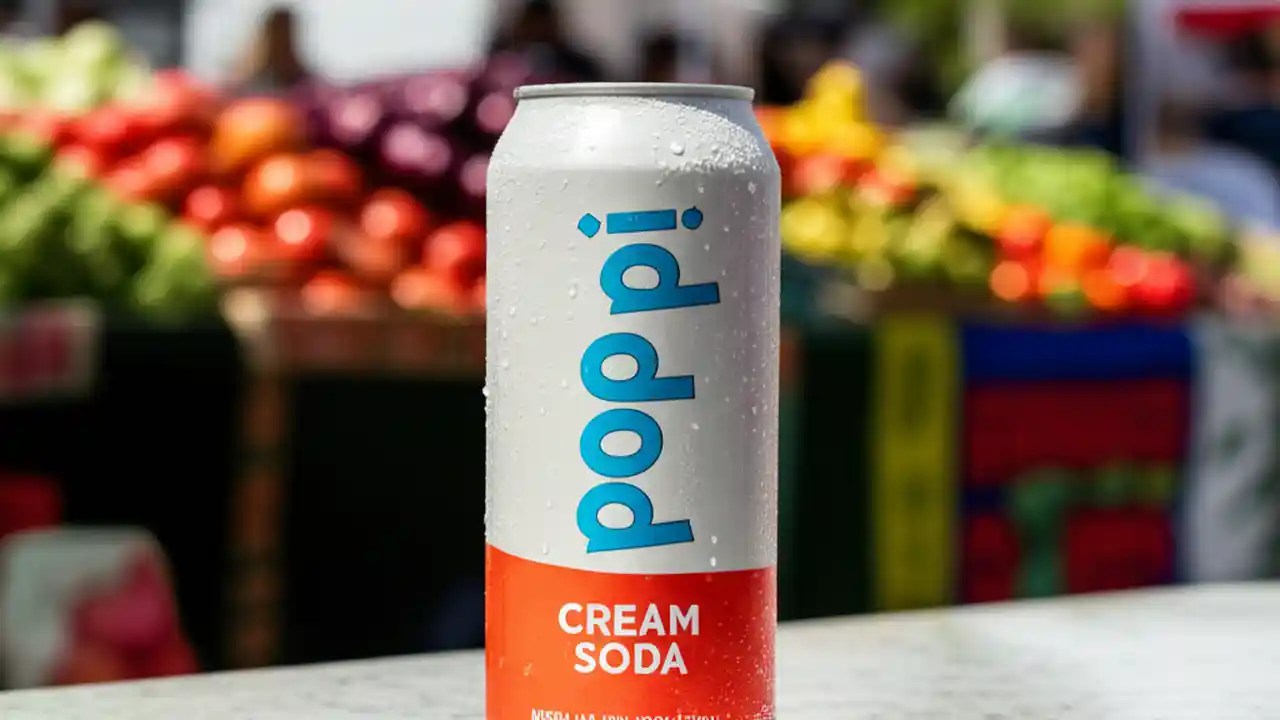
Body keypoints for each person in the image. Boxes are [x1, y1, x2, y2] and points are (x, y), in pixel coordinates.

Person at [488, 0, 603, 82]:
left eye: (543, 24)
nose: (538, 29)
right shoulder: (499, 63)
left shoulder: (579, 65)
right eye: (533, 23)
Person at [228, 6, 312, 95]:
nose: (281, 40)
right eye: (278, 33)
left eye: (285, 33)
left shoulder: (308, 85)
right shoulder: (247, 84)